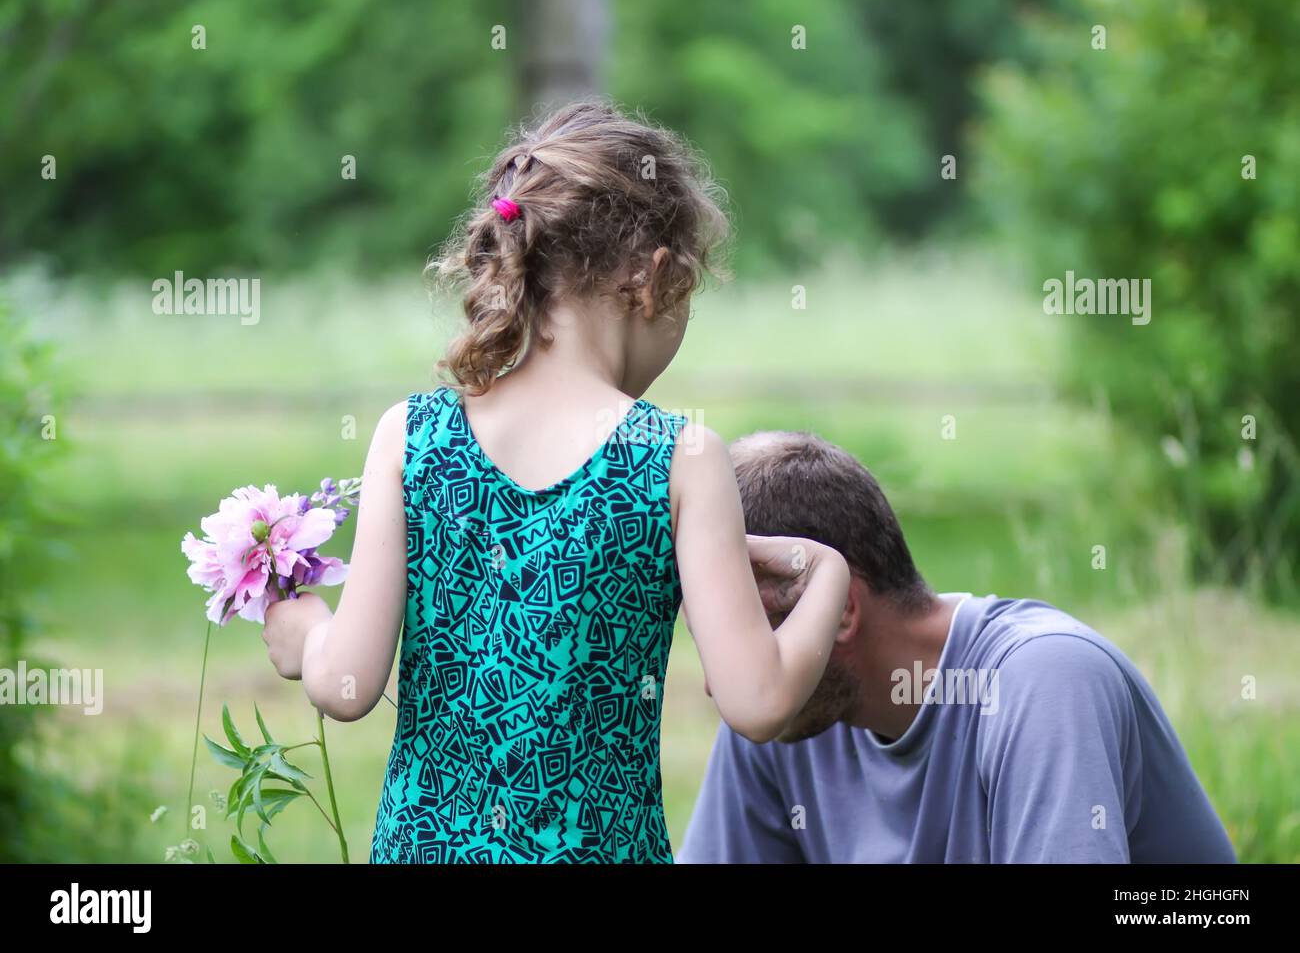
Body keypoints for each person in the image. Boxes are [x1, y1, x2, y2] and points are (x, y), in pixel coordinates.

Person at [259, 103, 850, 863]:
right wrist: (824, 568)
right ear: (658, 276)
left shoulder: (411, 436)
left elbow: (346, 688)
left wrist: (309, 633)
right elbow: (760, 701)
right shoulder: (677, 458)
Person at [679, 431, 1236, 863]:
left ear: (839, 611)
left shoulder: (1045, 683)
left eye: (744, 630)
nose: (718, 679)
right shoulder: (773, 706)